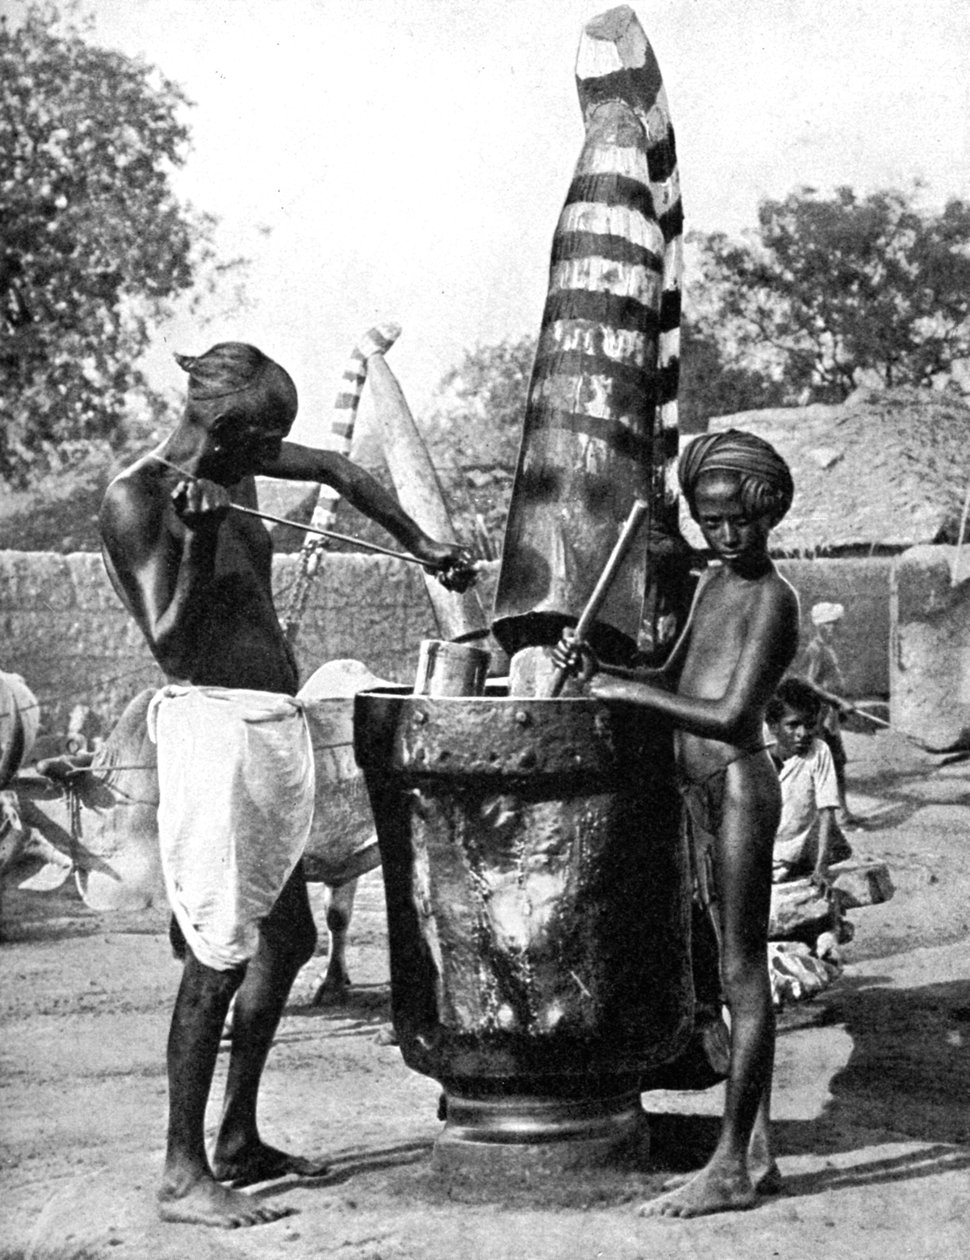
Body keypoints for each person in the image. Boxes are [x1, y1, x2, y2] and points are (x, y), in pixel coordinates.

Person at [99, 338, 473, 1229]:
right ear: (224, 428)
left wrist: (423, 544)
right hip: (214, 731)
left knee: (288, 938)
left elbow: (339, 469)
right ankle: (182, 1172)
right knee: (217, 952)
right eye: (264, 440)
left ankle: (237, 1138)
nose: (275, 455)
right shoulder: (139, 497)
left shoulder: (234, 465)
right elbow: (174, 645)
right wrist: (198, 538)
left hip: (272, 723)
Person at [554, 428, 799, 1218]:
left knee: (742, 973)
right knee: (726, 973)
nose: (726, 536)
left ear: (770, 514)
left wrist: (627, 695)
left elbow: (730, 716)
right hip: (700, 791)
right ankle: (755, 1153)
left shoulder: (773, 599)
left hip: (739, 787)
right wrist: (603, 670)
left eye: (741, 522)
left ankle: (729, 1167)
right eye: (711, 521)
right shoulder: (715, 586)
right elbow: (671, 676)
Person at [766, 677, 851, 887]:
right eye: (793, 725)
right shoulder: (757, 756)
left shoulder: (819, 751)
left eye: (810, 725)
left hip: (801, 849)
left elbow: (827, 811)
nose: (803, 733)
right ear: (773, 727)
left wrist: (821, 867)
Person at [803, 601, 861, 827]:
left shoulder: (828, 648)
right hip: (820, 717)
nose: (835, 627)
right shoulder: (815, 650)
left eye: (836, 623)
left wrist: (842, 702)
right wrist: (836, 700)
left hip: (831, 716)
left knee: (838, 764)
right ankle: (826, 819)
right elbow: (810, 683)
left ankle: (843, 813)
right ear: (821, 626)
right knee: (824, 766)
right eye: (831, 624)